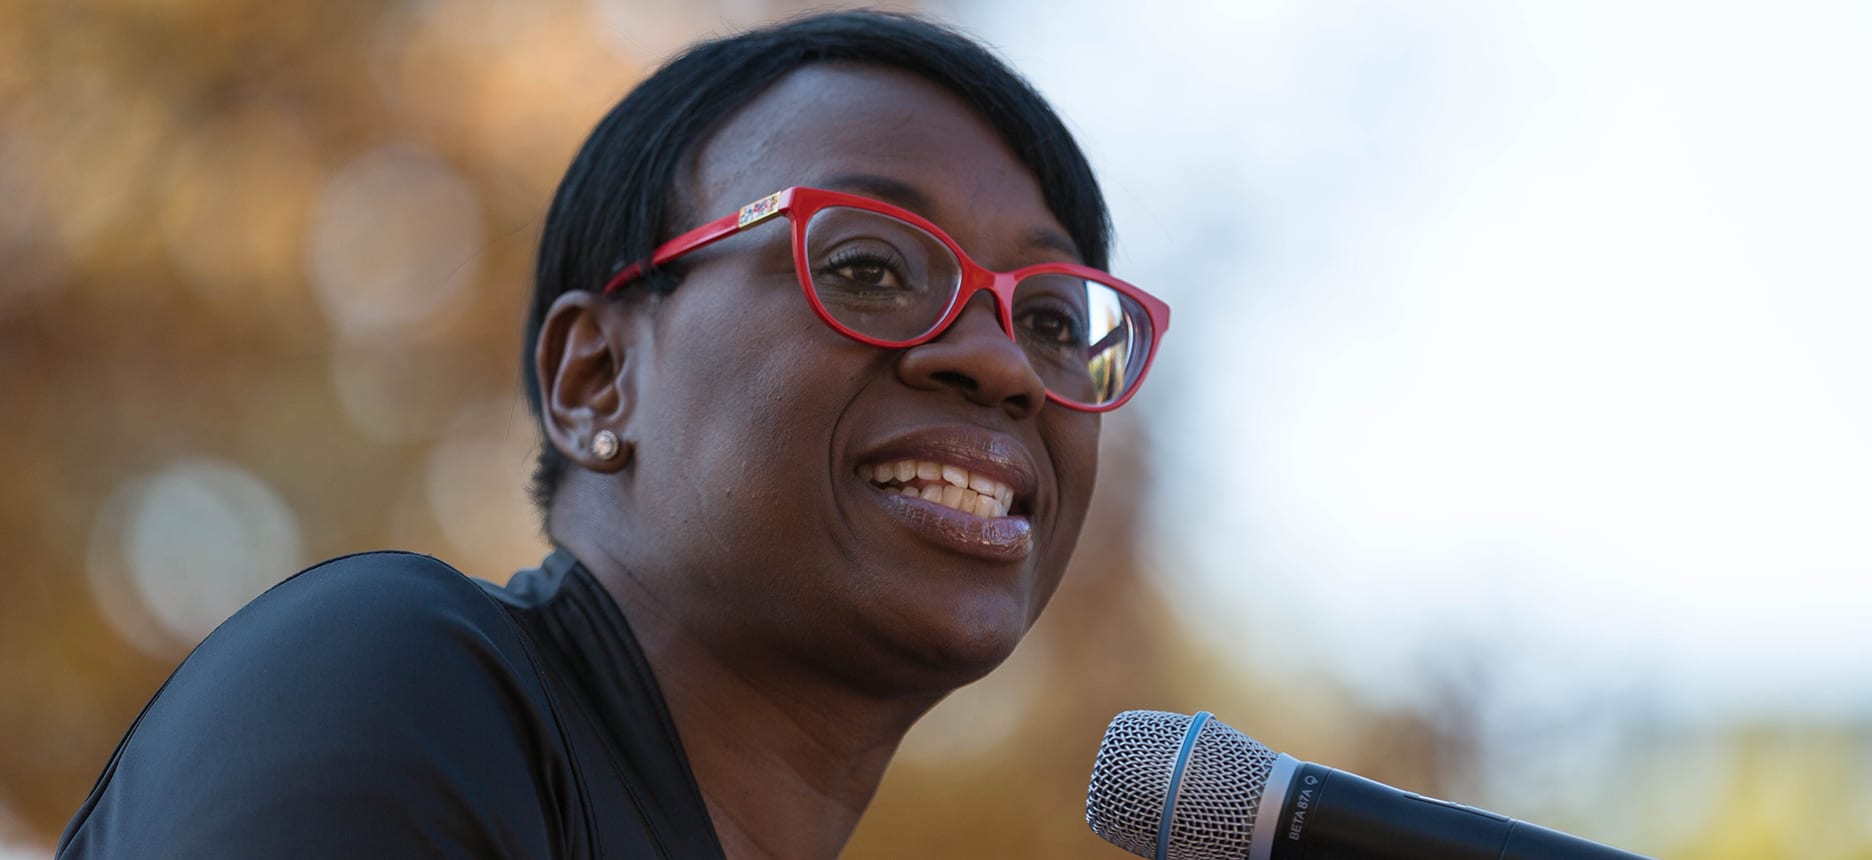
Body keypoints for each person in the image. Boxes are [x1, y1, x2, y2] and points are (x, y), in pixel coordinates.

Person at [56, 10, 1169, 860]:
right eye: (868, 267)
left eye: (1052, 319)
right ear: (595, 381)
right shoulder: (394, 676)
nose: (999, 360)